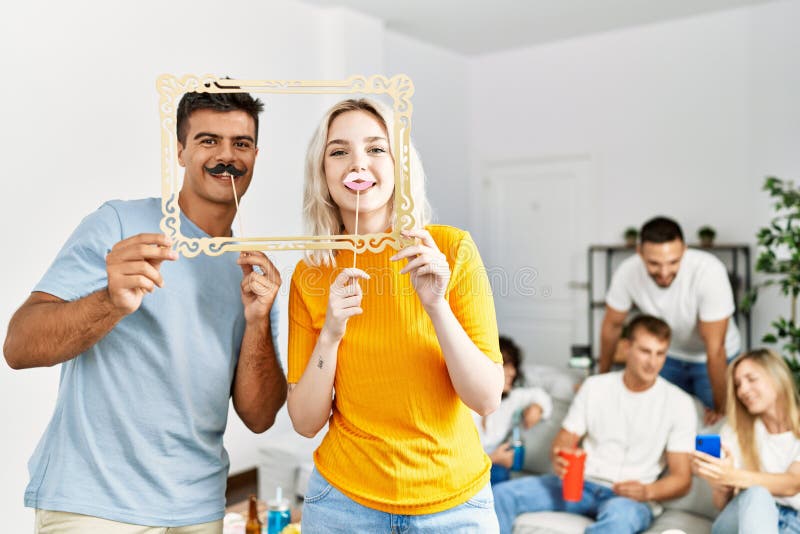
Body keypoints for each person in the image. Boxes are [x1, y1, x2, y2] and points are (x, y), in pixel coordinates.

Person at [3, 91, 287, 533]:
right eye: (208, 140)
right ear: (180, 150)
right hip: (94, 506)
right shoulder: (119, 223)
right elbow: (18, 347)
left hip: (200, 509)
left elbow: (259, 416)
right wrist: (110, 302)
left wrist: (257, 323)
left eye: (241, 143)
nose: (226, 156)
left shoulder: (253, 272)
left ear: (255, 154)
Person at [285, 98, 504, 532]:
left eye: (376, 148)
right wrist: (330, 332)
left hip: (454, 507)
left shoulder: (451, 250)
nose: (357, 163)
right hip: (342, 506)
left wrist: (436, 305)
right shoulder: (311, 274)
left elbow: (485, 398)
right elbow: (306, 422)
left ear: (399, 164)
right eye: (339, 151)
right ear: (322, 172)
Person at [493, 315, 696, 534]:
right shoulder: (595, 387)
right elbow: (565, 439)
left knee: (618, 522)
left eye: (660, 353)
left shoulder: (679, 404)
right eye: (645, 351)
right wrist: (559, 455)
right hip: (581, 484)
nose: (653, 362)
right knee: (501, 496)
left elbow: (681, 479)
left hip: (628, 499)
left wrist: (647, 492)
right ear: (626, 347)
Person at [598, 216, 741, 423]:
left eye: (673, 262)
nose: (664, 272)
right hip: (668, 356)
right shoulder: (627, 272)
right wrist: (601, 380)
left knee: (719, 423)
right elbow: (612, 326)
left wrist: (721, 408)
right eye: (654, 263)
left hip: (712, 358)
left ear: (684, 249)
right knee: (653, 417)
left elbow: (715, 349)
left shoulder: (709, 272)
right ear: (640, 252)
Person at [693, 349, 800, 533]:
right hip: (742, 518)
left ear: (776, 377)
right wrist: (720, 483)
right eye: (737, 384)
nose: (742, 390)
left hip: (793, 522)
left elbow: (793, 484)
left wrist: (731, 475)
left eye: (751, 379)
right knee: (757, 495)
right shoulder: (734, 431)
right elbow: (721, 505)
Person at [475, 335, 552, 485]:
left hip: (489, 470)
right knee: (498, 473)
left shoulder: (511, 399)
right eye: (505, 365)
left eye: (514, 366)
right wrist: (492, 458)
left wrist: (537, 407)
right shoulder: (462, 403)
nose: (512, 372)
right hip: (464, 473)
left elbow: (541, 396)